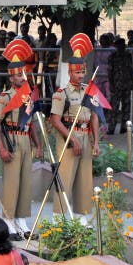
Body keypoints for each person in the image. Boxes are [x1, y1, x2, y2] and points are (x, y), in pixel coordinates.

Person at [0, 40, 42, 237]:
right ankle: (9, 220)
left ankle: (22, 221)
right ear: (11, 77)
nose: (23, 77)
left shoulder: (28, 95)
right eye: (19, 74)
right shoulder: (5, 96)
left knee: (25, 183)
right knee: (12, 183)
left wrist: (38, 145)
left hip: (25, 140)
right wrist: (2, 149)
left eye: (24, 73)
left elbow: (32, 123)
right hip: (11, 139)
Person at [50, 33, 100, 221]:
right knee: (65, 177)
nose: (80, 75)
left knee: (85, 180)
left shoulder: (89, 90)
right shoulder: (61, 93)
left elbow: (94, 116)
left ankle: (82, 218)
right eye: (77, 72)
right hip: (68, 138)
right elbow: (55, 120)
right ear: (70, 72)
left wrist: (96, 142)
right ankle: (59, 218)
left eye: (82, 72)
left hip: (85, 135)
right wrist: (71, 140)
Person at [108, 37, 133, 133]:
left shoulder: (128, 55)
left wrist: (132, 81)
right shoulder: (112, 56)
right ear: (116, 46)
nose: (122, 47)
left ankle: (124, 127)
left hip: (127, 83)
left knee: (126, 106)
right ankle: (111, 128)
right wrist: (111, 84)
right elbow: (109, 71)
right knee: (114, 107)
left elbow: (130, 69)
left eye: (123, 45)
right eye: (120, 45)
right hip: (116, 84)